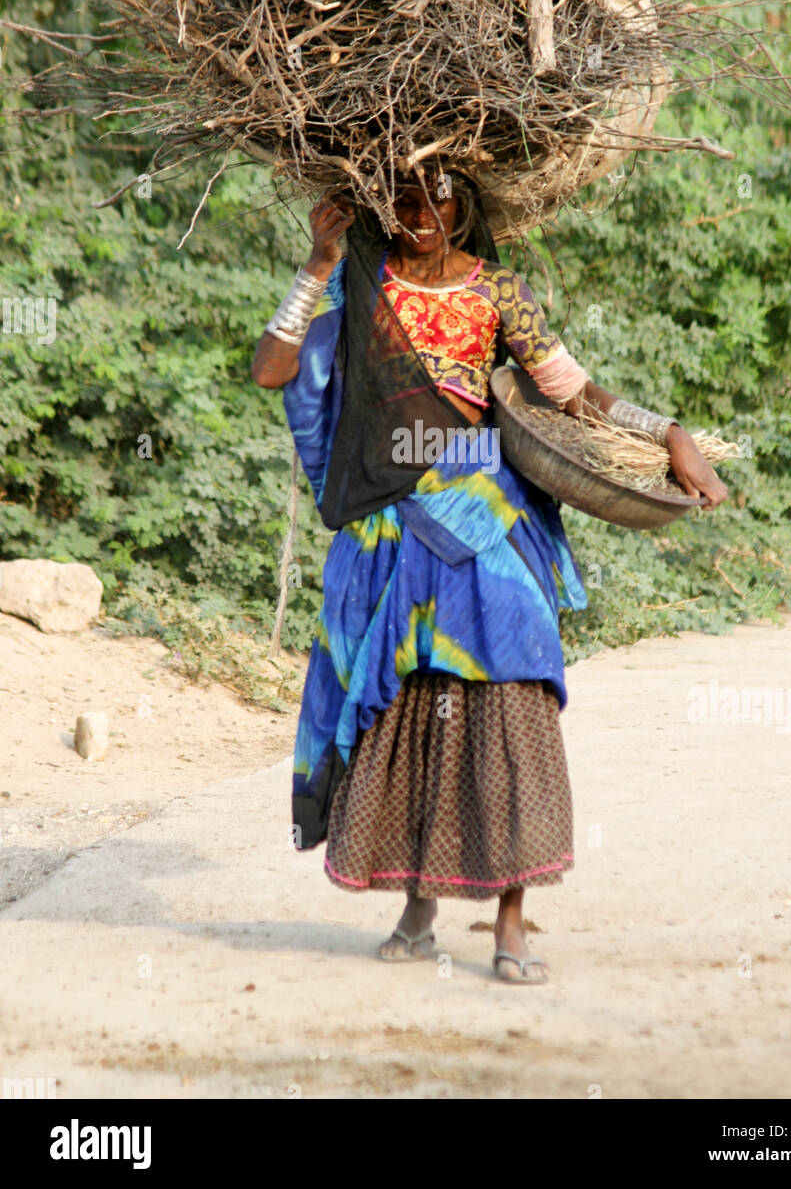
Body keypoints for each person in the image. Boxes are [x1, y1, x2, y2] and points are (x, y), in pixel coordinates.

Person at [251, 167, 727, 983]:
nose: (423, 215)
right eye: (403, 200)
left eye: (439, 198)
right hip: (395, 525)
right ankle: (418, 904)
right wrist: (318, 263)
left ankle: (511, 922)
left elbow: (570, 391)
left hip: (491, 522)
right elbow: (271, 370)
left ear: (464, 205)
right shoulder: (360, 282)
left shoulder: (496, 290)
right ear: (382, 207)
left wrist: (669, 433)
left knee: (513, 696)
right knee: (406, 706)